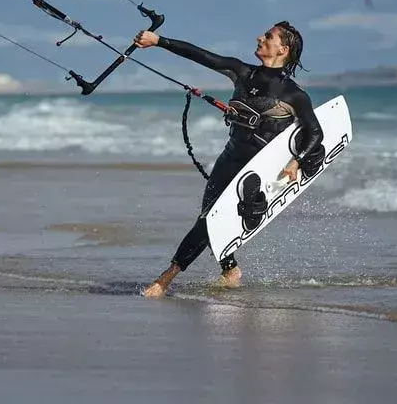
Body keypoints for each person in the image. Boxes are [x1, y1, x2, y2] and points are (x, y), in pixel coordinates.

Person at [133, 21, 325, 298]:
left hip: (256, 171)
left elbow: (315, 132)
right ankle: (230, 269)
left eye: (268, 36)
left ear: (282, 49)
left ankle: (165, 279)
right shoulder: (242, 72)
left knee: (208, 221)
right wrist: (158, 41)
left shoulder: (294, 95)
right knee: (209, 218)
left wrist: (297, 161)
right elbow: (200, 55)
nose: (260, 37)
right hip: (229, 158)